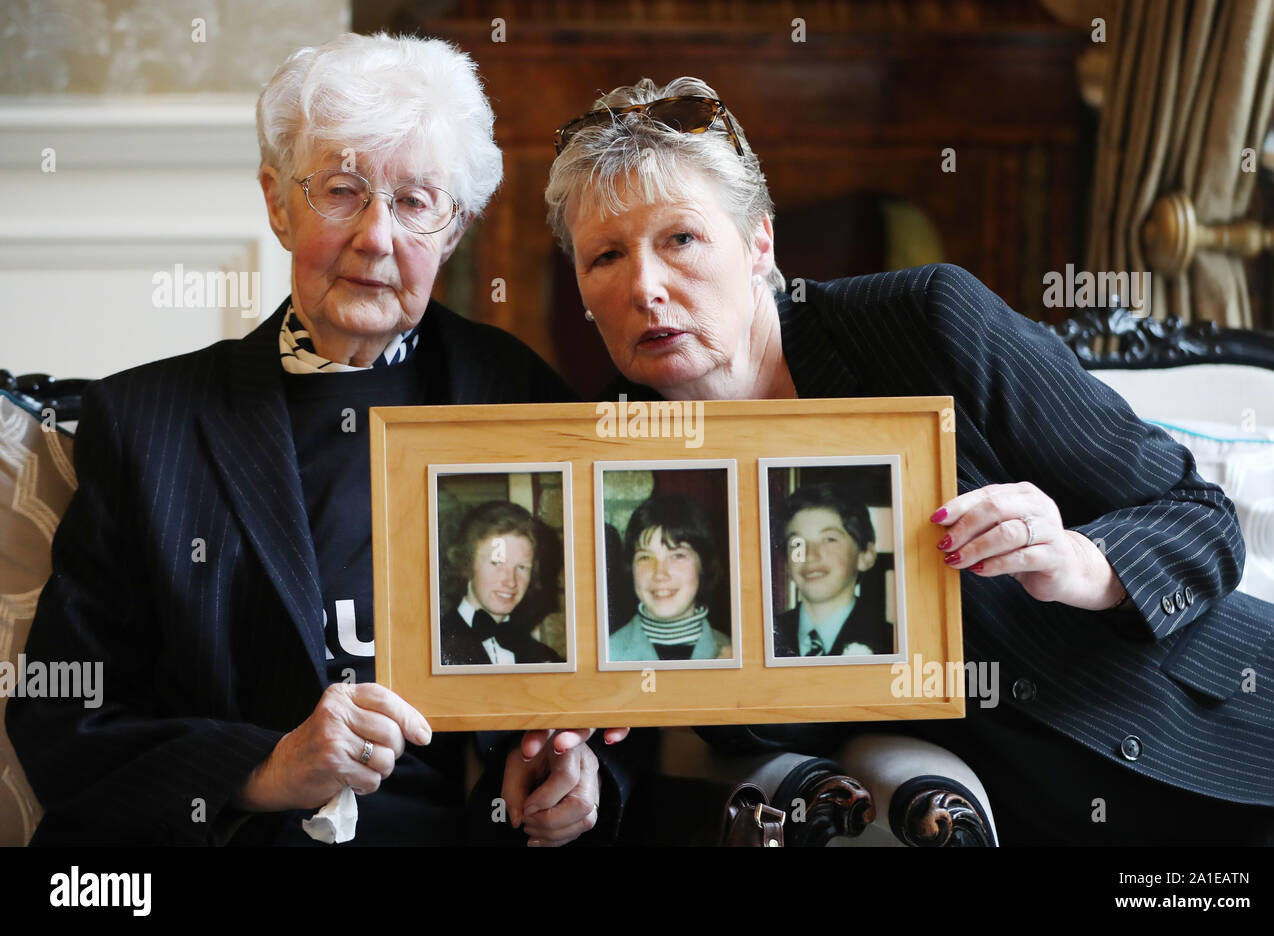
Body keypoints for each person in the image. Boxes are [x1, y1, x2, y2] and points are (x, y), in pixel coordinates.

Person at [544, 77, 1274, 844]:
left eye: (680, 239)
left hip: (1234, 749)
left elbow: (1198, 515)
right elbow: (717, 728)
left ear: (759, 244)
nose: (645, 286)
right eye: (605, 255)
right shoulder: (606, 464)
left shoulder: (925, 320)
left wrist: (1082, 561)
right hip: (1002, 812)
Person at [6, 33, 641, 847]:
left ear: (454, 230)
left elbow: (616, 678)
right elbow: (65, 715)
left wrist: (581, 770)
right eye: (342, 190)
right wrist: (267, 769)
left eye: (416, 202)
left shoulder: (523, 398)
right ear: (278, 204)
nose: (377, 236)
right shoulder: (149, 423)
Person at [609, 494, 731, 661]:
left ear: (703, 564)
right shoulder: (607, 655)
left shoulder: (735, 653)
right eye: (645, 557)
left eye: (677, 555)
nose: (660, 573)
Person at [775, 484, 892, 658]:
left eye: (829, 539)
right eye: (797, 543)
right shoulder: (763, 637)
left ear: (865, 555)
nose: (810, 555)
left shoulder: (892, 642)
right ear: (787, 564)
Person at [440, 500, 562, 665]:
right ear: (467, 564)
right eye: (496, 563)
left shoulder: (543, 657)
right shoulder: (435, 643)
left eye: (521, 567)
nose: (510, 582)